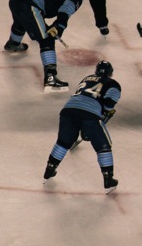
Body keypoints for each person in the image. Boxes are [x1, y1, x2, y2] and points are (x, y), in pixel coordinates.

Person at [42, 60, 121, 194]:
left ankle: (49, 170)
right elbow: (108, 106)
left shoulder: (87, 78)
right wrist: (104, 114)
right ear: (110, 73)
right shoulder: (114, 84)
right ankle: (108, 179)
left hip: (68, 110)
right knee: (104, 146)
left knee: (62, 142)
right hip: (90, 114)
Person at [3, 0, 87, 92]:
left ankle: (13, 44)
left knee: (21, 22)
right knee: (47, 39)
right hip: (29, 5)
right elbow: (66, 9)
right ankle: (50, 78)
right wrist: (59, 27)